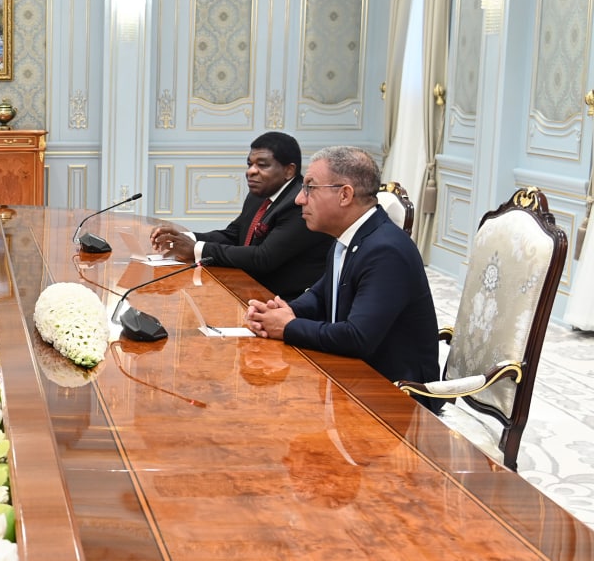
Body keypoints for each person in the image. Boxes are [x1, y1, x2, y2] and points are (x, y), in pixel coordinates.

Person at [245, 146, 440, 409]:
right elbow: (321, 295)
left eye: (309, 188)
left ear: (345, 195)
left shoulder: (385, 250)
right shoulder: (350, 236)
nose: (299, 199)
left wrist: (288, 327)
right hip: (354, 376)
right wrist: (283, 312)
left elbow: (357, 338)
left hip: (394, 397)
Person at [149, 131, 332, 299]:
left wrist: (197, 248)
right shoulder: (259, 195)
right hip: (249, 289)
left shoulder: (299, 203)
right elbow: (234, 234)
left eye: (262, 165)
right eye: (249, 164)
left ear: (289, 171)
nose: (251, 171)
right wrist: (185, 238)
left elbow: (263, 258)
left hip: (285, 301)